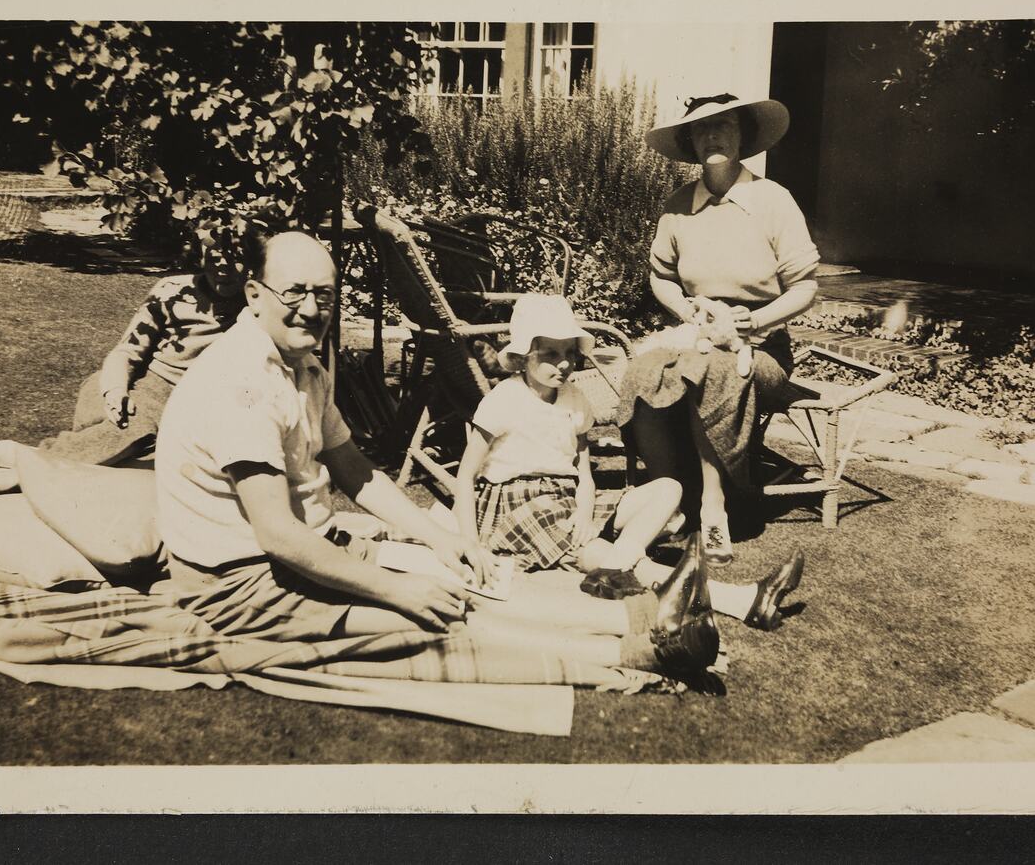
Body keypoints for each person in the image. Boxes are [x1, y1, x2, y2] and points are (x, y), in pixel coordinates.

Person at [148, 227, 724, 678]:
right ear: (255, 295)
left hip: (302, 551)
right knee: (431, 615)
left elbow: (353, 466)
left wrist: (440, 537)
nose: (310, 308)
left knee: (464, 580)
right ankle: (645, 654)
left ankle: (645, 618)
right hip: (239, 584)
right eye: (293, 292)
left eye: (323, 294)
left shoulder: (304, 364)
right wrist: (395, 587)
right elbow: (276, 533)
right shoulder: (242, 380)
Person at [456, 294, 807, 631]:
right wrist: (471, 542)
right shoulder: (503, 400)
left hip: (568, 498)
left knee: (669, 490)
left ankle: (612, 567)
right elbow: (466, 475)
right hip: (519, 503)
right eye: (549, 354)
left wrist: (583, 509)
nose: (563, 363)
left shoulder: (574, 398)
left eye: (569, 353)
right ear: (522, 358)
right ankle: (739, 599)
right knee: (602, 551)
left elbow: (582, 468)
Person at [617, 93, 821, 566]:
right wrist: (687, 311)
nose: (713, 136)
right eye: (702, 129)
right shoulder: (678, 205)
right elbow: (661, 277)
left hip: (762, 348)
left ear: (743, 136)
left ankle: (712, 505)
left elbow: (805, 287)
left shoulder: (773, 200)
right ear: (689, 140)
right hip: (697, 334)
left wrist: (758, 319)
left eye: (724, 126)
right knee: (643, 372)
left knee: (710, 370)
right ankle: (671, 497)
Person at [0, 247, 247, 497]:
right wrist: (115, 389)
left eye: (235, 257)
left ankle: (19, 473)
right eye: (214, 254)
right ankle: (57, 458)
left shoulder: (257, 304)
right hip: (148, 384)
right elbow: (126, 350)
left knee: (134, 432)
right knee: (103, 403)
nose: (222, 267)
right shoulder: (173, 291)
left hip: (188, 400)